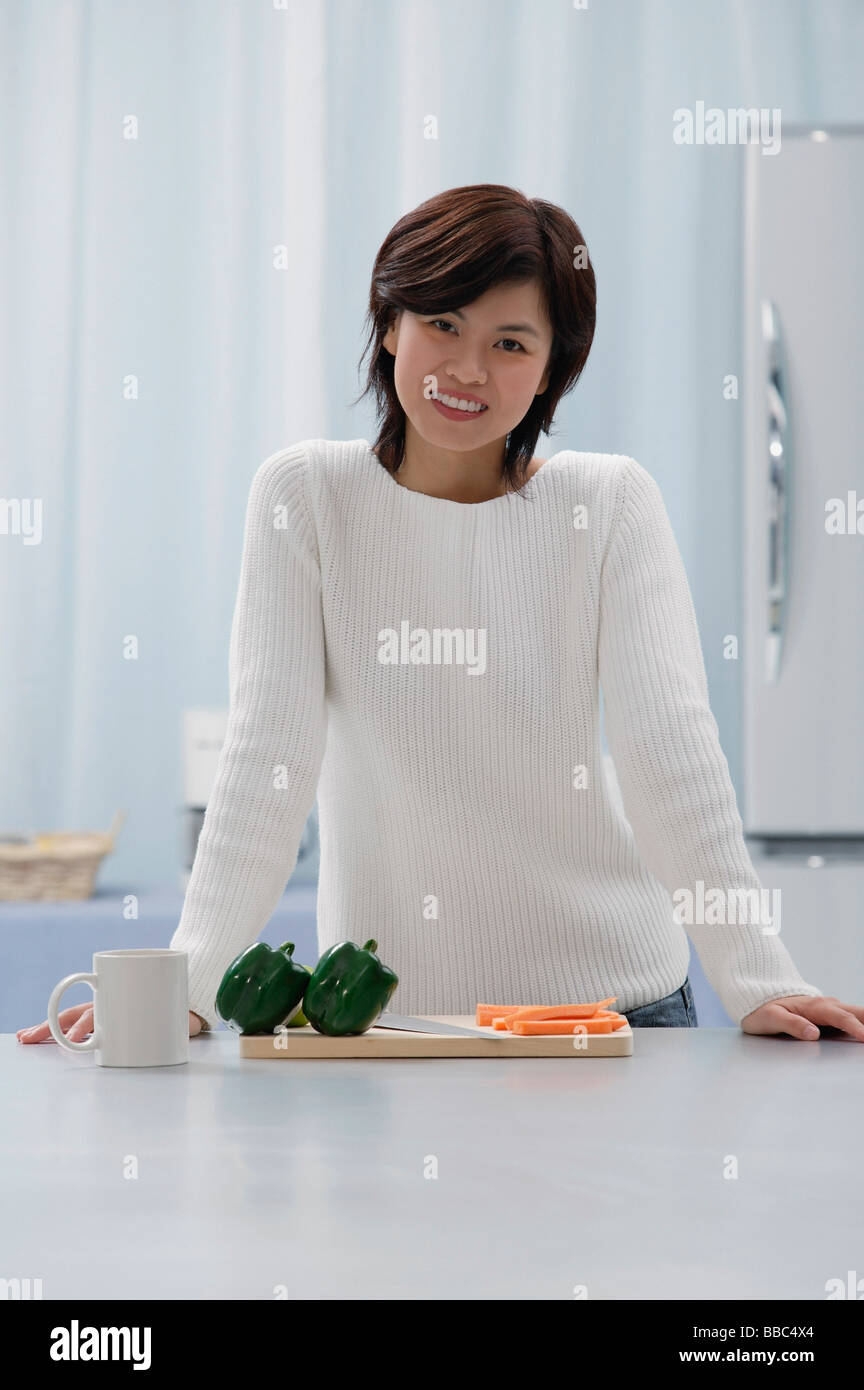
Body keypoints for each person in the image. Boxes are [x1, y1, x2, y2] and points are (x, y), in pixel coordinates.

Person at [20, 183, 864, 1049]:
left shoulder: (609, 504)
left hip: (612, 1011)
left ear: (551, 370)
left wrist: (760, 974)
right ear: (390, 325)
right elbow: (268, 760)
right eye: (443, 325)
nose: (467, 369)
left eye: (510, 343)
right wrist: (189, 984)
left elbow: (671, 756)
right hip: (390, 1021)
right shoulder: (305, 497)